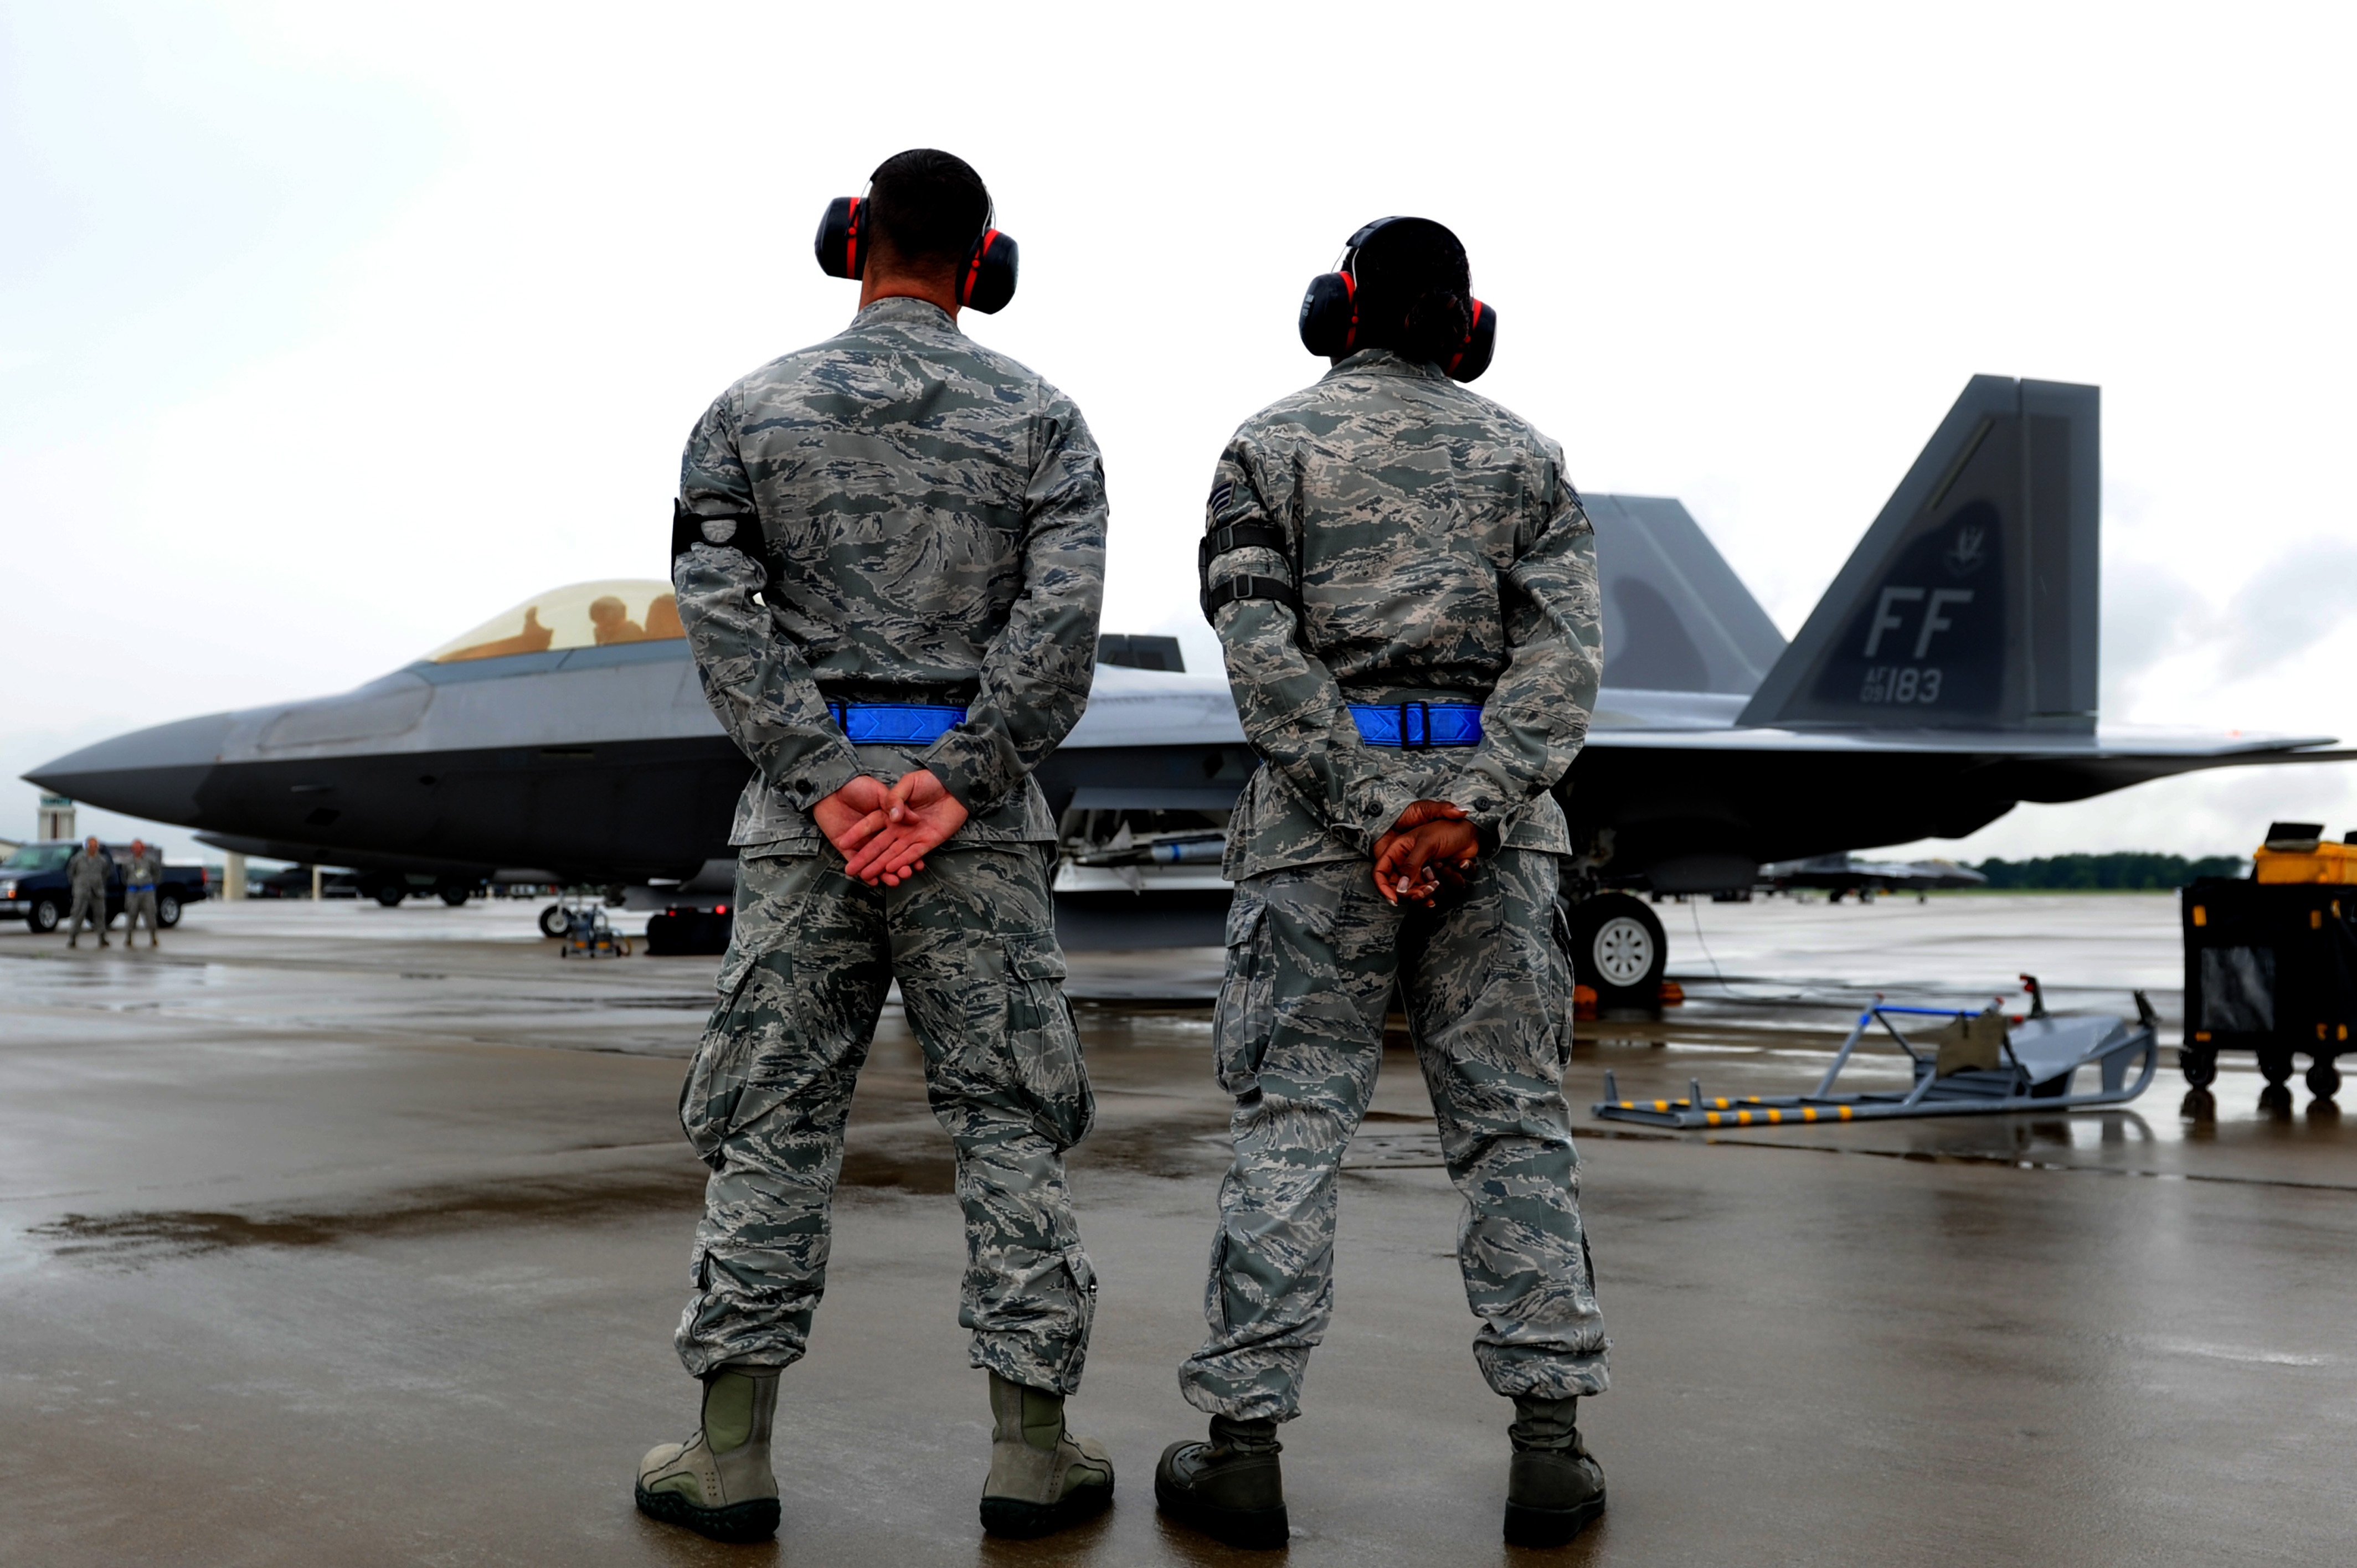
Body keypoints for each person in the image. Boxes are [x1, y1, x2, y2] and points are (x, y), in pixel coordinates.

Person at [640, 148, 1111, 1546]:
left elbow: (722, 618)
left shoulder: (746, 412)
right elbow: (1059, 634)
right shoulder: (1048, 422)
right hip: (978, 832)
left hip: (805, 827)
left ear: (853, 240)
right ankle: (1033, 1453)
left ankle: (729, 1459)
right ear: (986, 262)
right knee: (1009, 1124)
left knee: (772, 1126)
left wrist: (832, 779)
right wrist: (955, 780)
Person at [1155, 217, 1609, 1550]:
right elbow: (1565, 661)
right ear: (1468, 326)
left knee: (1293, 1123)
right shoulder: (1526, 457)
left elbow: (1257, 647)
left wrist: (1368, 811)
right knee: (1516, 1128)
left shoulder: (1267, 446)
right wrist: (1461, 810)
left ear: (1335, 310)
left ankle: (1244, 1452)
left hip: (1313, 845)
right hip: (1499, 846)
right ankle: (1548, 1452)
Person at [64, 835, 111, 947]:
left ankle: (102, 938)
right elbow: (71, 873)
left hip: (97, 892)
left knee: (100, 915)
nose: (93, 848)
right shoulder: (78, 859)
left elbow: (106, 874)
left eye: (95, 846)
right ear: (87, 846)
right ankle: (73, 938)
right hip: (82, 891)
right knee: (78, 915)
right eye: (91, 846)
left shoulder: (102, 860)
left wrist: (98, 882)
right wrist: (78, 884)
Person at [120, 838, 162, 947]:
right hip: (133, 892)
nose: (137, 850)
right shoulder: (128, 862)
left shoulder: (150, 861)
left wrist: (152, 884)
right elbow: (124, 876)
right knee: (131, 916)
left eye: (139, 848)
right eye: (135, 848)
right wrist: (130, 884)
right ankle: (129, 938)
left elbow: (157, 873)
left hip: (147, 891)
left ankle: (153, 938)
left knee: (150, 916)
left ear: (143, 849)